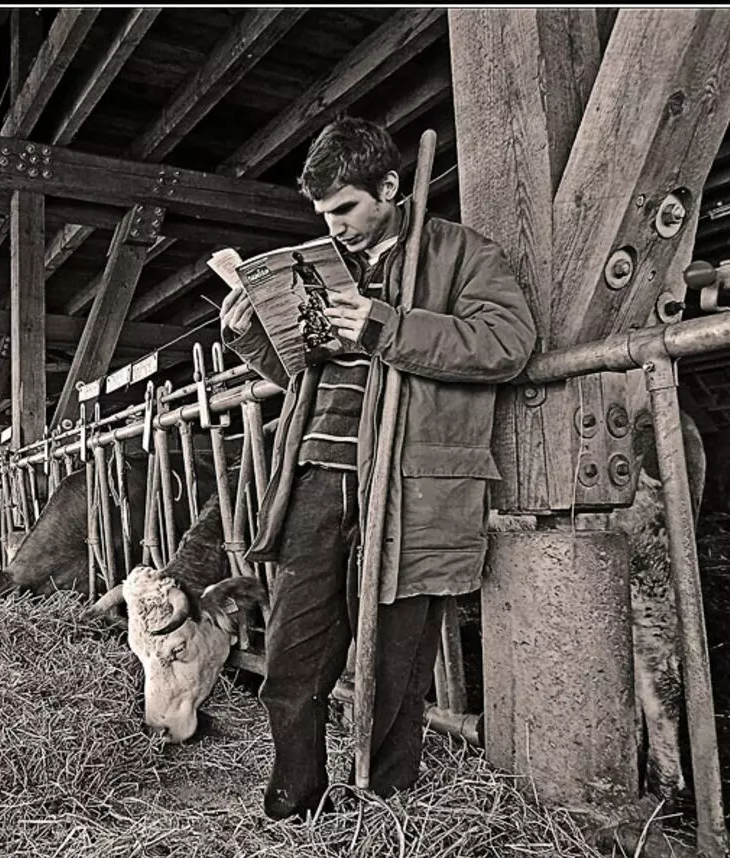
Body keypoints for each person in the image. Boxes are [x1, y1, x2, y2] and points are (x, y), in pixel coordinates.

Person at [220, 116, 537, 820]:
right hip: (313, 479)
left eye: (345, 210)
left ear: (389, 187)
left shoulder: (460, 255)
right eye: (322, 214)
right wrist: (250, 330)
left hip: (410, 487)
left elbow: (507, 343)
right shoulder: (326, 264)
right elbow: (298, 373)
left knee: (395, 664)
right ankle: (295, 799)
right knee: (294, 653)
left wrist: (382, 326)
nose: (334, 227)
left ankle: (386, 811)